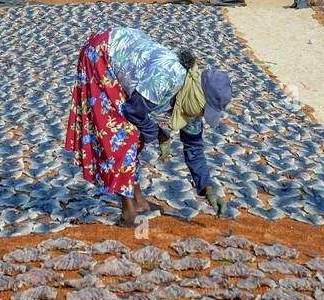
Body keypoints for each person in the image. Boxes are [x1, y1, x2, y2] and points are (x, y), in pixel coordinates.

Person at [65, 27, 233, 227]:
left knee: (137, 134)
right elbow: (133, 111)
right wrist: (160, 134)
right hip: (103, 53)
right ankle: (128, 212)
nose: (202, 114)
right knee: (123, 134)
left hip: (126, 64)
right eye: (205, 109)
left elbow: (194, 147)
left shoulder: (193, 104)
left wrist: (208, 188)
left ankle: (139, 201)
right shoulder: (167, 77)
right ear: (200, 96)